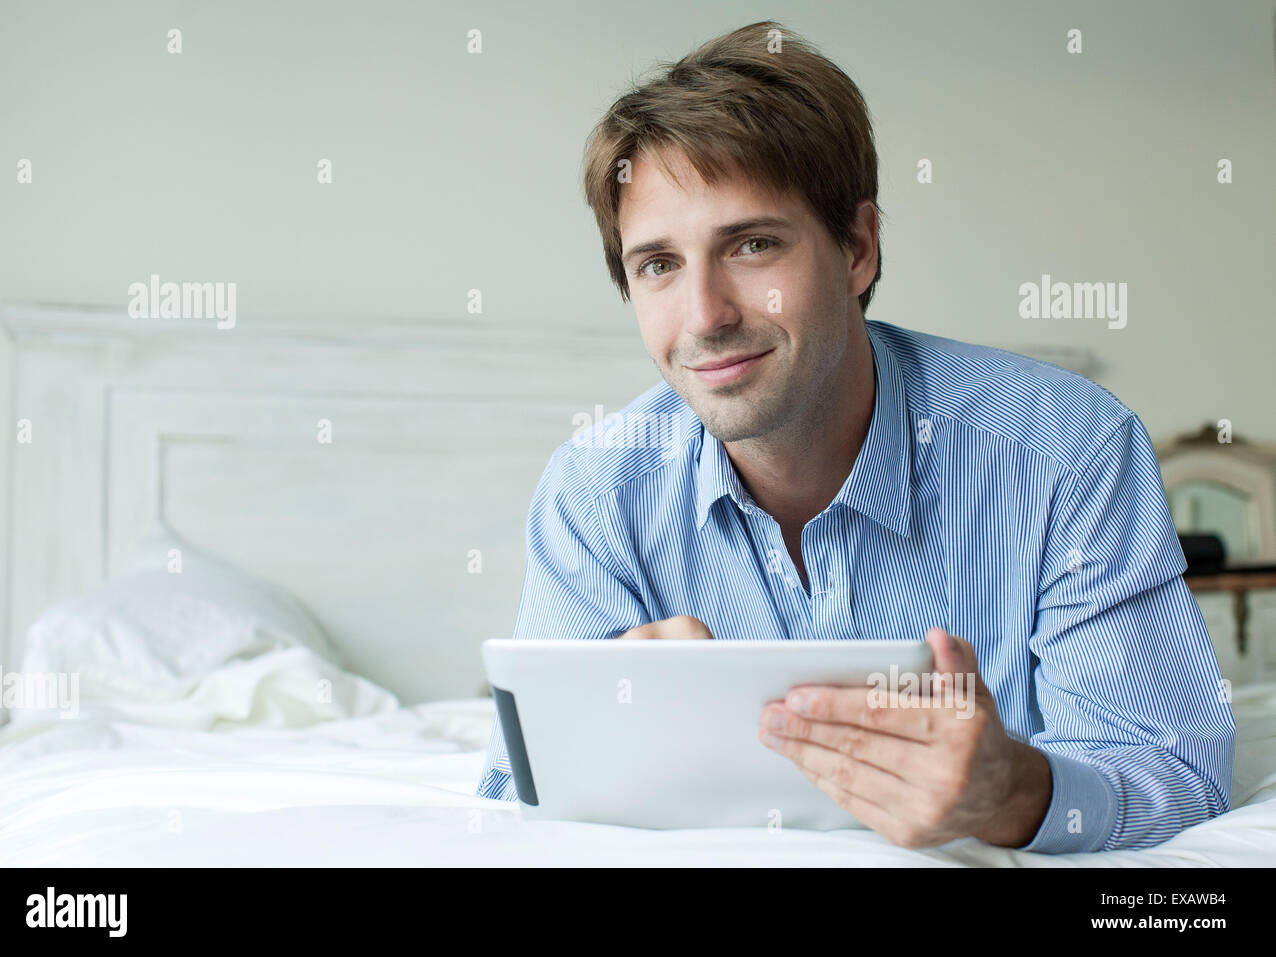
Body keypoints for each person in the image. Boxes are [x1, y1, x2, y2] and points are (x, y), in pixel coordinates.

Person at [477, 20, 1234, 853]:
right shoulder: (595, 490)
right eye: (659, 264)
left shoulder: (1068, 452)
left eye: (753, 245)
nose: (705, 317)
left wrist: (1013, 792)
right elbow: (518, 793)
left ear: (858, 249)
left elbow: (1175, 772)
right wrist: (603, 730)